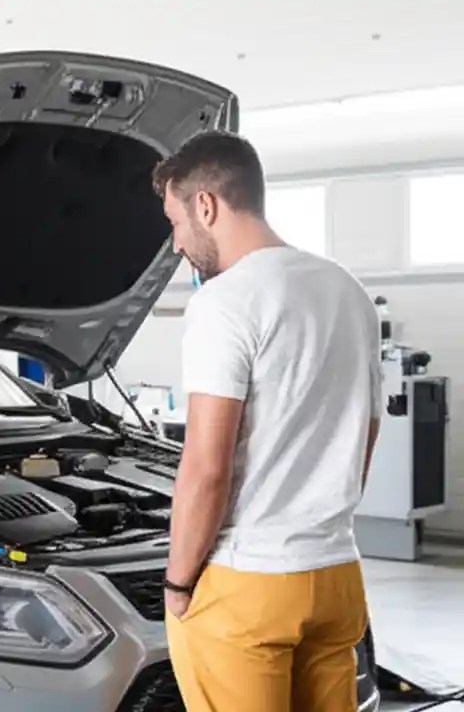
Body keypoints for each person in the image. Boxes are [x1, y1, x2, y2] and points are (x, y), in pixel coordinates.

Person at [151, 131, 382, 712]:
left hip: (248, 584)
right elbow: (365, 435)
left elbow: (206, 468)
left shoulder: (225, 302)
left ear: (206, 205)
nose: (177, 244)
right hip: (336, 574)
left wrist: (178, 585)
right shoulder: (347, 290)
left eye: (175, 222)